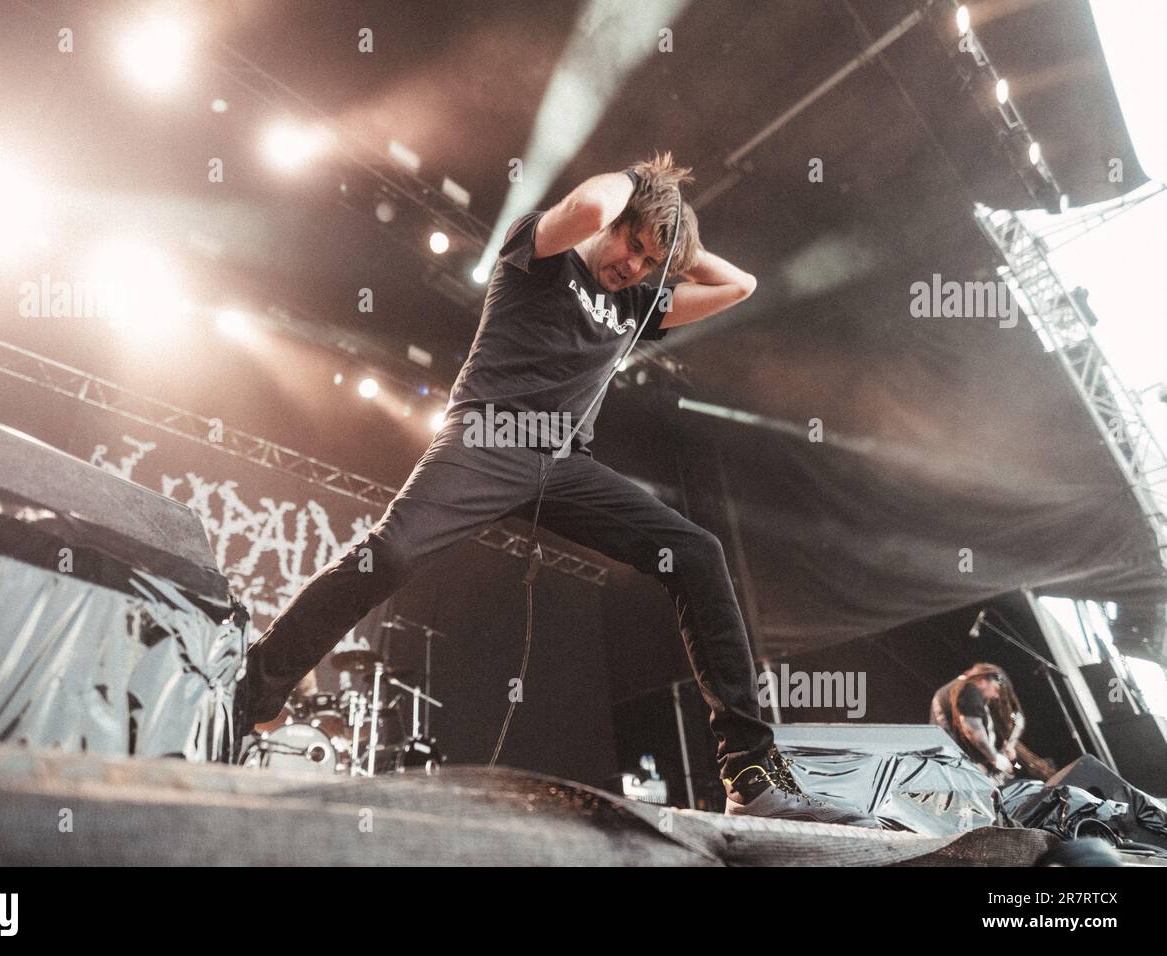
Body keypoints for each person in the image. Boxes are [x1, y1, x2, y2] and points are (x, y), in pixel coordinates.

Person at [243, 152, 880, 827]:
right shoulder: (538, 249)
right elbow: (584, 210)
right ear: (617, 221)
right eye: (632, 244)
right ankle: (256, 687)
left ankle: (750, 773)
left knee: (698, 554)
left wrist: (673, 246)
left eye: (647, 262)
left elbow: (741, 286)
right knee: (391, 554)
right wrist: (644, 182)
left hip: (562, 467)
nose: (633, 266)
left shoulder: (637, 304)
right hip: (486, 438)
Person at [930, 663, 1025, 784]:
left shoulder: (955, 689)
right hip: (966, 772)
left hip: (955, 769)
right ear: (983, 680)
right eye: (996, 689)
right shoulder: (968, 690)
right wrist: (995, 758)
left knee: (1016, 767)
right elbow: (973, 731)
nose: (996, 696)